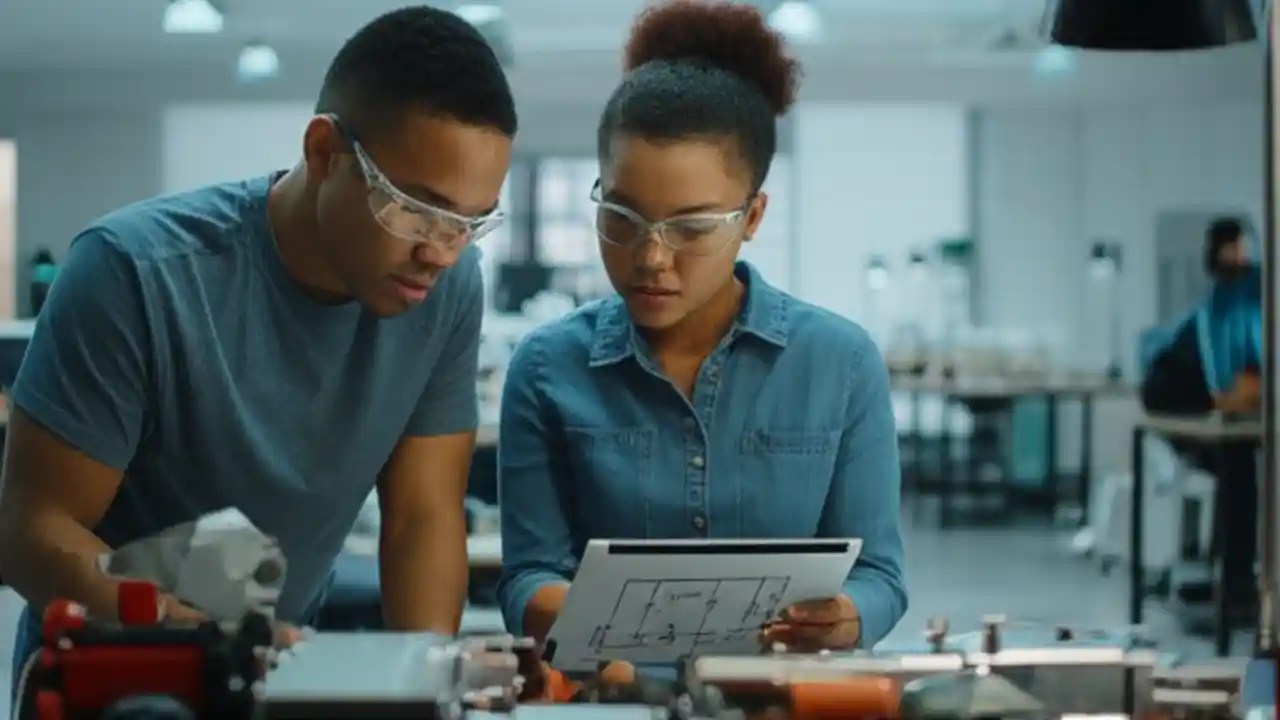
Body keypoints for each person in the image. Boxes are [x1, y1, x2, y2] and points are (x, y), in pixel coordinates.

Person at [0, 4, 515, 701]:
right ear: (323, 151)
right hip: (113, 672)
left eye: (467, 223)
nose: (441, 252)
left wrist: (425, 685)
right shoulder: (134, 273)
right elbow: (31, 530)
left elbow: (422, 517)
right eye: (415, 210)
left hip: (272, 673)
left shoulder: (449, 290)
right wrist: (203, 639)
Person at [497, 0, 907, 656]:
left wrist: (843, 616)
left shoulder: (841, 362)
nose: (651, 258)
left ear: (753, 217)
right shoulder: (548, 367)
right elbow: (527, 577)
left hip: (782, 688)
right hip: (614, 693)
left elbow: (880, 577)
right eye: (622, 218)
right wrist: (615, 629)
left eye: (690, 227)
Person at [1140, 215, 1261, 614]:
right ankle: (1233, 580)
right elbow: (1223, 367)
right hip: (1175, 390)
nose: (1237, 255)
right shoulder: (1222, 301)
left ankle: (1231, 575)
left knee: (1236, 466)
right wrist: (1227, 397)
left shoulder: (1251, 290)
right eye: (1231, 248)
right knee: (1235, 465)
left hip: (1195, 396)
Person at [28, 248, 57, 316]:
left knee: (37, 309)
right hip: (50, 288)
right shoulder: (55, 268)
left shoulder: (37, 268)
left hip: (38, 287)